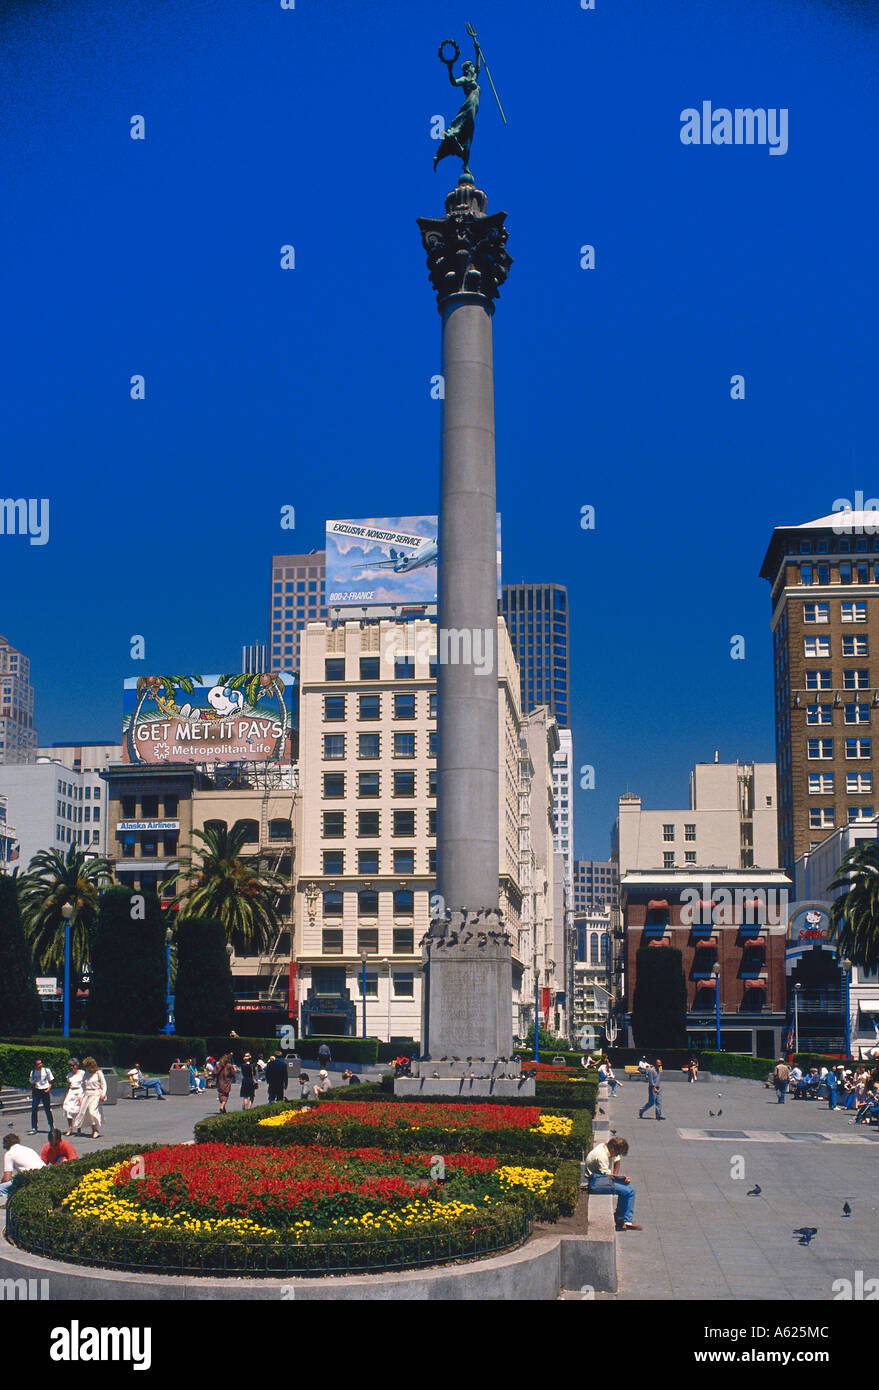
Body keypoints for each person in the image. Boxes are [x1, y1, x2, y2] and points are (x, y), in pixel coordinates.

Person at [583, 1136, 641, 1232]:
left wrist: (617, 1176)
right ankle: (623, 1220)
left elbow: (617, 1161)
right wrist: (621, 1180)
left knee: (628, 1190)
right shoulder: (601, 1155)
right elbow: (608, 1176)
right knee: (629, 1191)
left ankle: (622, 1220)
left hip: (602, 1178)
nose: (617, 1155)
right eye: (617, 1152)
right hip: (596, 1182)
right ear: (613, 1148)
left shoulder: (607, 1147)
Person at [0, 1132, 44, 1200]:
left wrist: (1, 1182)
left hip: (31, 1178)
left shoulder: (9, 1154)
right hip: (44, 1174)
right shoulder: (28, 1149)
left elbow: (6, 1178)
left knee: (1, 1188)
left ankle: (10, 1202)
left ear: (6, 1145)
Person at [75, 1058, 107, 1138]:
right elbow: (82, 1086)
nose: (86, 1068)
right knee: (86, 1112)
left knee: (92, 1110)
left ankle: (96, 1130)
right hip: (87, 1094)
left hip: (96, 1093)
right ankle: (93, 1129)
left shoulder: (98, 1073)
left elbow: (104, 1084)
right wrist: (80, 1096)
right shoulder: (86, 1073)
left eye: (87, 1066)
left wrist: (103, 1094)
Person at [28, 1057, 54, 1135]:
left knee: (47, 1109)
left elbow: (51, 1081)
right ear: (35, 1065)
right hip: (37, 1091)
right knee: (34, 1109)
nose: (40, 1065)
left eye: (41, 1063)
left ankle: (51, 1126)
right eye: (38, 1064)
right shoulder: (33, 1072)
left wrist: (49, 1088)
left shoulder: (46, 1070)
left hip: (45, 1090)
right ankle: (34, 1127)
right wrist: (33, 1092)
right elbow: (32, 1083)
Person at [62, 1058, 85, 1136]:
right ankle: (70, 1128)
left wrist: (83, 1095)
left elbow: (85, 1084)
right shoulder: (69, 1074)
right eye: (70, 1066)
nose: (71, 1067)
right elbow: (68, 1086)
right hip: (71, 1092)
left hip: (79, 1092)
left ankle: (79, 1129)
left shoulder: (82, 1073)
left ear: (77, 1065)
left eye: (73, 1065)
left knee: (78, 1111)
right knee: (68, 1110)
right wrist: (66, 1096)